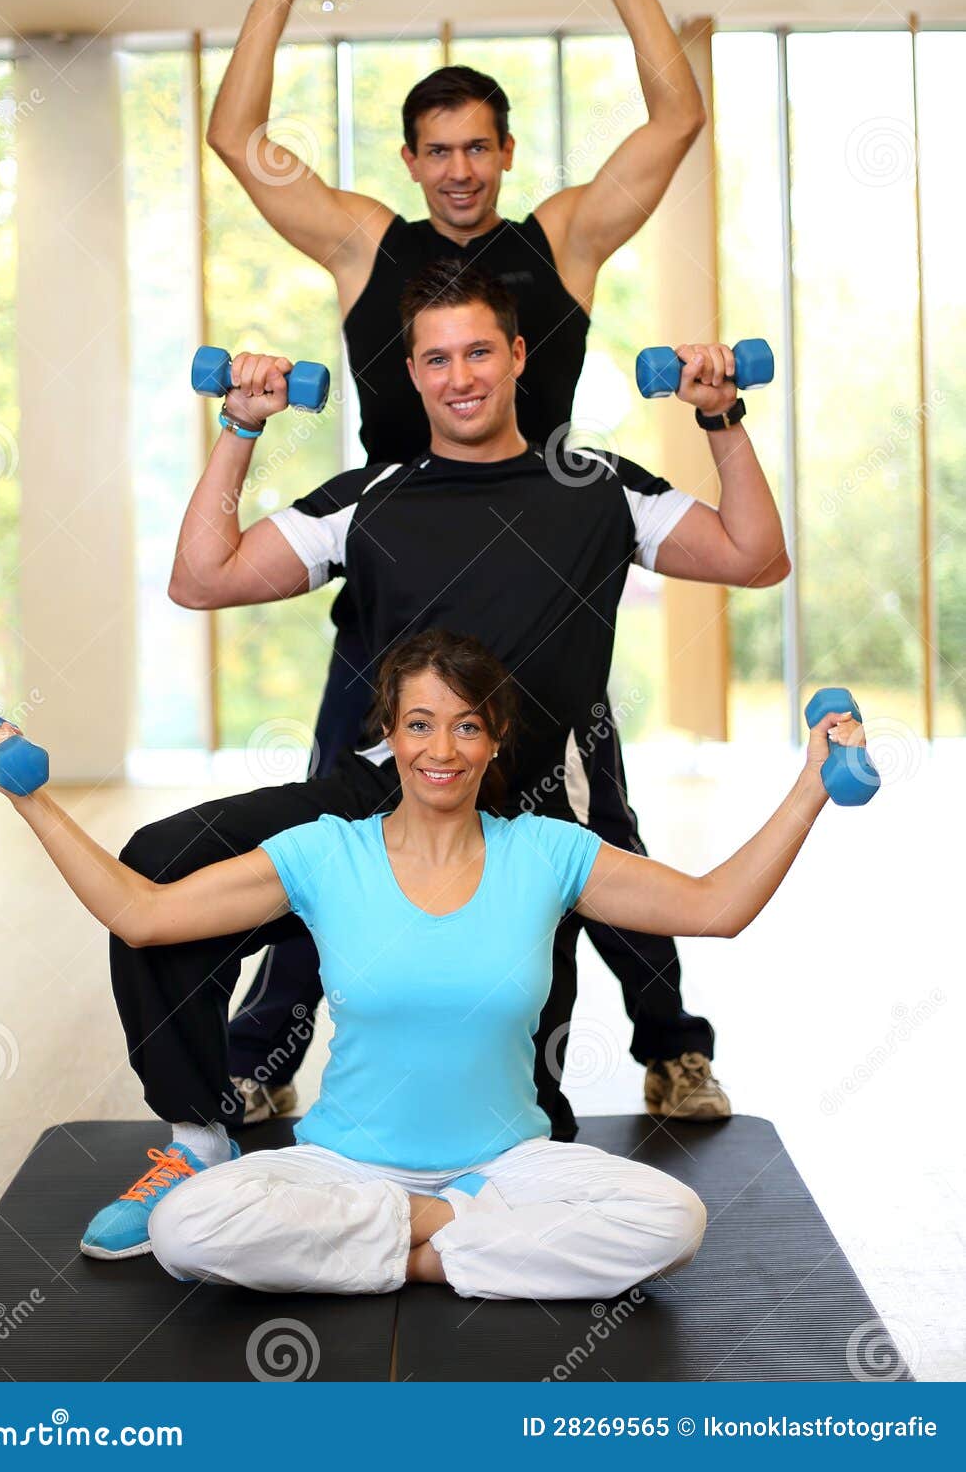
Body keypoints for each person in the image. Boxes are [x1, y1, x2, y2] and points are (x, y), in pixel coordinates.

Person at [74, 259, 788, 1262]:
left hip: (527, 813)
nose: (460, 376)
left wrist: (721, 418)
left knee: (521, 1107)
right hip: (384, 789)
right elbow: (202, 578)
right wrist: (238, 426)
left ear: (518, 357)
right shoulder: (370, 497)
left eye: (479, 352)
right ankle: (197, 1136)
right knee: (159, 861)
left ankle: (455, 1212)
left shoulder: (597, 488)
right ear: (411, 374)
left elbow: (755, 557)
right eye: (437, 358)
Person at [206, 0, 714, 1124]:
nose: (458, 172)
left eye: (477, 146)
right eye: (436, 151)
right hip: (395, 582)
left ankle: (668, 1048)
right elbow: (235, 136)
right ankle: (264, 1059)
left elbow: (673, 120)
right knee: (339, 818)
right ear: (409, 158)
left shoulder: (560, 242)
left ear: (505, 151)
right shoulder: (363, 245)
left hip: (545, 579)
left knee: (587, 827)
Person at [0, 631, 862, 1299]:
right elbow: (143, 915)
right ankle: (447, 1237)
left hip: (506, 1164)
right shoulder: (325, 852)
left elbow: (713, 906)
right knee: (185, 1225)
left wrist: (810, 787)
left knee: (672, 1220)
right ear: (389, 736)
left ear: (495, 738)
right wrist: (30, 800)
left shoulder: (547, 851)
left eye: (466, 726)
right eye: (420, 725)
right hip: (343, 1166)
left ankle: (390, 1255)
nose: (442, 750)